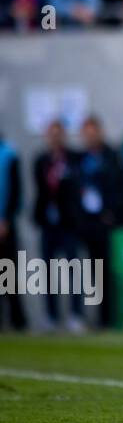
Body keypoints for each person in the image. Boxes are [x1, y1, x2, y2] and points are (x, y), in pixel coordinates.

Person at [75, 115, 123, 328]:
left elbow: (119, 186)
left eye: (93, 132)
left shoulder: (112, 156)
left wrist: (112, 213)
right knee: (90, 272)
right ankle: (94, 317)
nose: (91, 137)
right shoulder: (79, 159)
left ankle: (110, 317)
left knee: (108, 271)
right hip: (87, 224)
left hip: (108, 223)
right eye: (86, 133)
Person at [33, 119, 86, 332]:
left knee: (74, 269)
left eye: (59, 133)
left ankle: (76, 315)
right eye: (51, 133)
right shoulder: (41, 160)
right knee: (47, 271)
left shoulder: (73, 158)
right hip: (48, 222)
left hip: (68, 222)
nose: (55, 137)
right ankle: (50, 316)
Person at [0, 132, 26, 331]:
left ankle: (18, 321)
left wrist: (6, 219)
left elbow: (16, 191)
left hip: (6, 225)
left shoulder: (9, 154)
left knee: (8, 273)